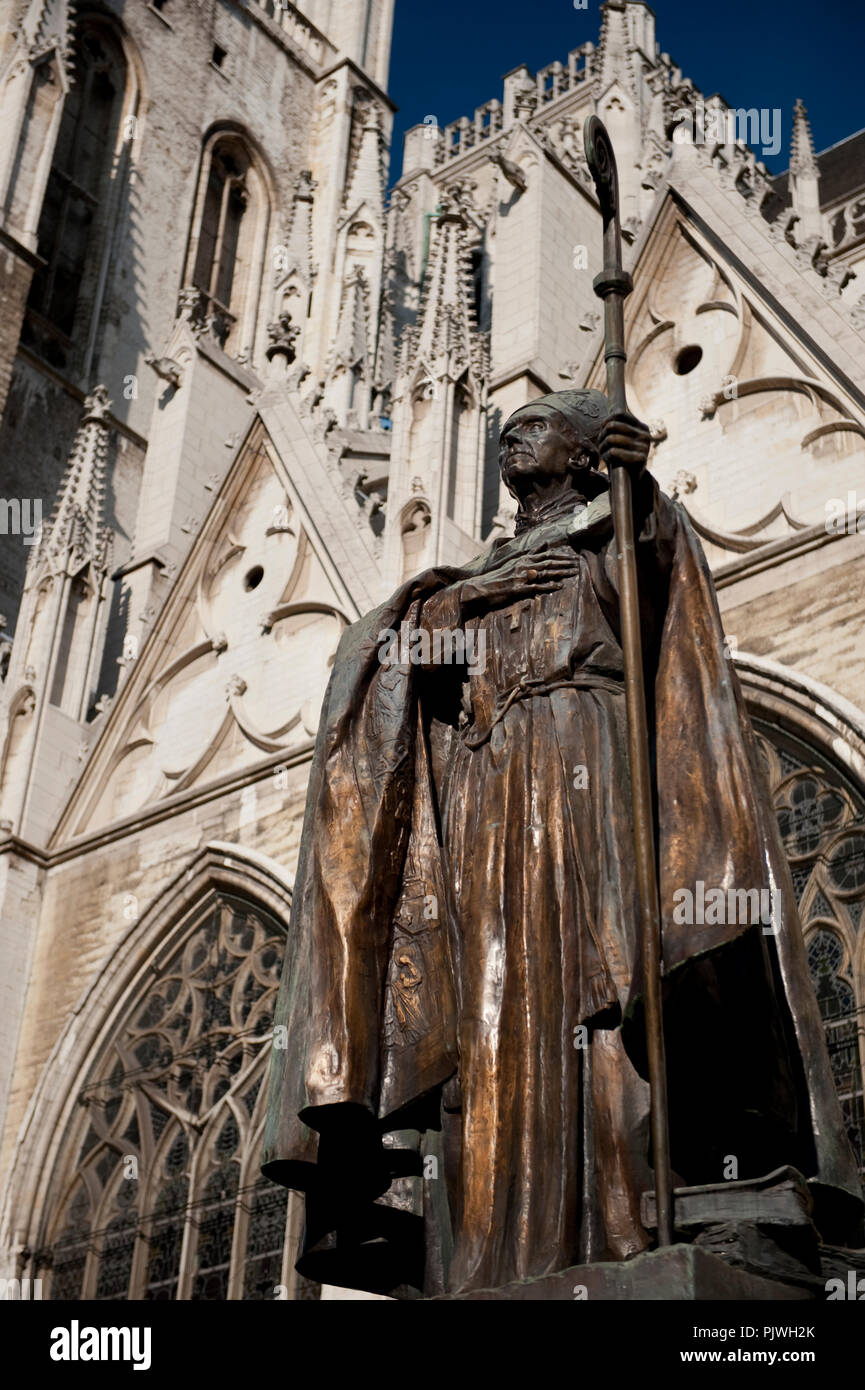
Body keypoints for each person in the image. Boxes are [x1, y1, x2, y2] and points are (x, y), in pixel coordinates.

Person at [262, 388, 862, 1298]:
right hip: (485, 804)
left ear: (586, 452)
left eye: (539, 424)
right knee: (493, 1021)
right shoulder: (477, 577)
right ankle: (493, 1256)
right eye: (508, 427)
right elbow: (386, 677)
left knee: (611, 996)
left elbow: (658, 578)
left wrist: (638, 485)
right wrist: (461, 602)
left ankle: (640, 1217)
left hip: (591, 773)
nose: (514, 433)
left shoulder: (616, 522)